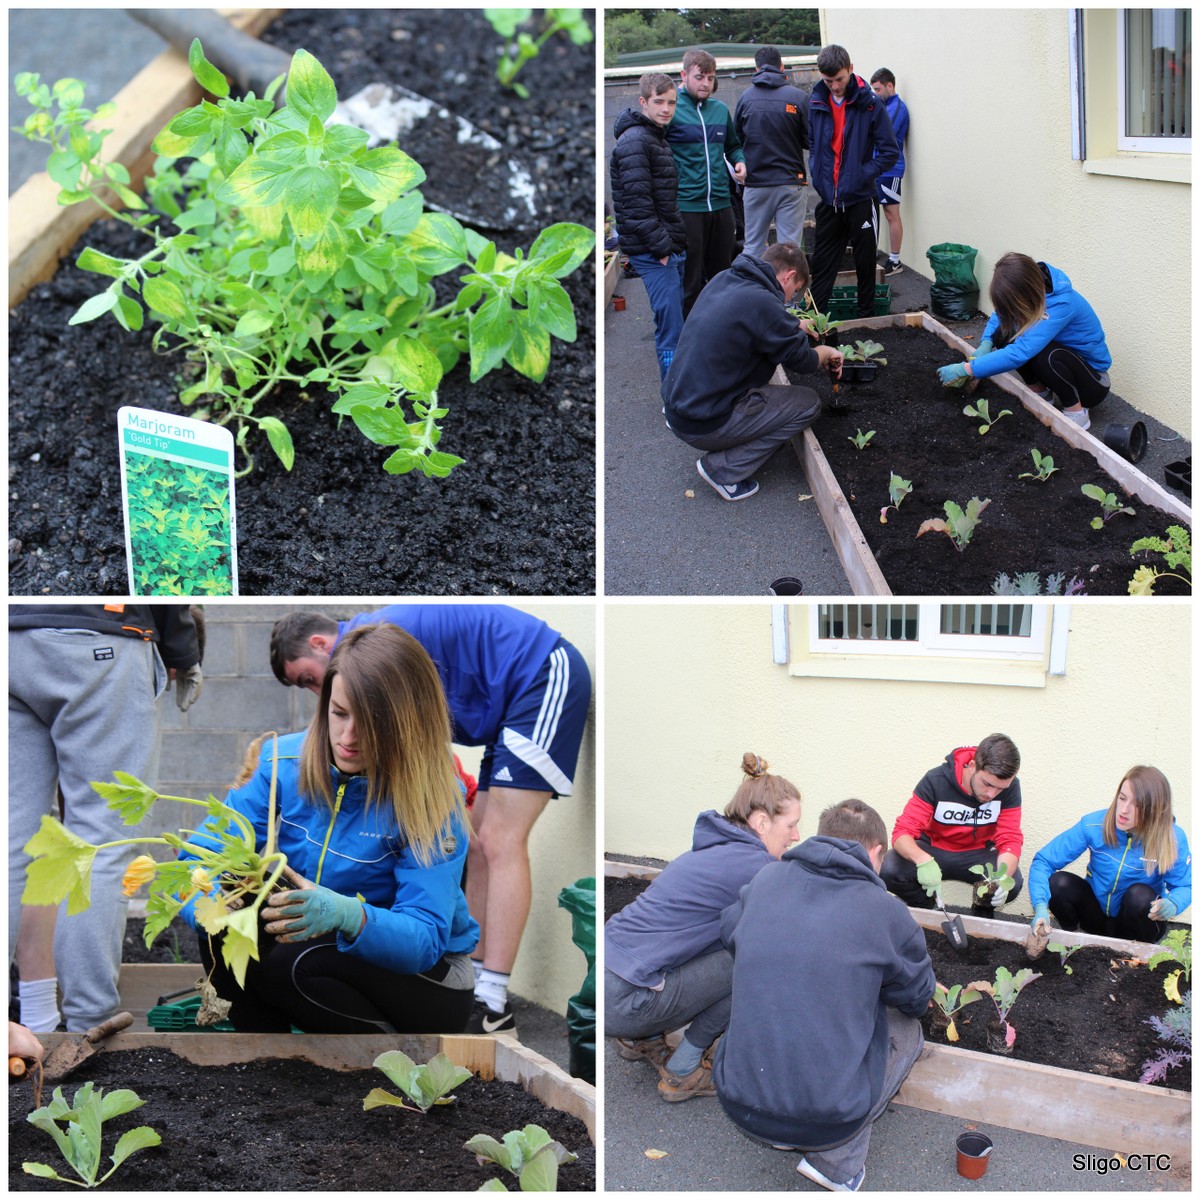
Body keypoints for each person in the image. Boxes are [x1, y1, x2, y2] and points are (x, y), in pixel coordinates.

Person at [269, 604, 591, 1034]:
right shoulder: (369, 646)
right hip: (507, 704)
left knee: (500, 840)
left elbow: (415, 736)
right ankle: (479, 980)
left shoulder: (377, 645)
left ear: (320, 644)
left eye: (308, 678)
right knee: (476, 841)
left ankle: (494, 1001)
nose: (317, 694)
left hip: (542, 675)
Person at [181, 623, 479, 1033]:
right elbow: (195, 861)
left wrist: (347, 914)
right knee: (225, 923)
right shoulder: (278, 764)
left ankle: (385, 1061)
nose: (349, 737)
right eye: (339, 714)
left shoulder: (432, 794)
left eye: (373, 723)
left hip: (428, 982)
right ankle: (259, 1069)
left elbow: (424, 940)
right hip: (319, 955)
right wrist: (213, 905)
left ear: (408, 721)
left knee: (296, 964)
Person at [715, 799, 934, 1192]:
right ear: (876, 853)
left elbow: (730, 934)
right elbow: (917, 998)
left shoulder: (765, 881)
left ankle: (790, 1129)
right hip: (826, 1122)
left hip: (739, 1101)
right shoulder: (885, 911)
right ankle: (837, 1165)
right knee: (908, 1028)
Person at [9, 604, 203, 1033]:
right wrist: (183, 653)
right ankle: (88, 1026)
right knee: (104, 842)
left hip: (12, 638)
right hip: (101, 641)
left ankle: (35, 1026)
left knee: (11, 845)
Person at [605, 753, 801, 1103]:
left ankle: (641, 1039)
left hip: (603, 983)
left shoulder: (716, 849)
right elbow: (786, 932)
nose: (797, 836)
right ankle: (683, 1069)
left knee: (718, 940)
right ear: (761, 823)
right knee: (757, 960)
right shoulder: (756, 866)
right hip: (626, 1002)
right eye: (791, 826)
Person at [663, 241, 842, 502]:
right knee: (808, 403)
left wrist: (792, 325)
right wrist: (826, 352)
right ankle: (723, 470)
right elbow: (802, 362)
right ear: (789, 276)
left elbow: (757, 320)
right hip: (702, 422)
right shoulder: (765, 304)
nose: (790, 299)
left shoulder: (726, 278)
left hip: (679, 404)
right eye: (794, 291)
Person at [937, 252, 1112, 431]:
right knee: (1003, 334)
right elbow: (1001, 313)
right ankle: (1041, 394)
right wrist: (987, 342)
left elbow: (1021, 353)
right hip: (1065, 365)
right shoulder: (1030, 285)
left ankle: (1076, 414)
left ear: (1025, 293)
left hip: (1092, 383)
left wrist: (967, 368)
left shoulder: (1062, 303)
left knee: (1043, 354)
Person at [1028, 765, 1191, 944]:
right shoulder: (1094, 825)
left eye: (1136, 805)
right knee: (1059, 883)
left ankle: (1136, 956)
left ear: (1153, 810)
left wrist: (1174, 903)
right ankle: (1076, 943)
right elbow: (1044, 861)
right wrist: (1041, 905)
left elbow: (1187, 886)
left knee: (1140, 896)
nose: (1123, 810)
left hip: (1136, 925)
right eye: (1122, 798)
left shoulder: (1172, 838)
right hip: (1096, 918)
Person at [880, 734, 1025, 911]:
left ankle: (980, 913)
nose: (991, 794)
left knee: (1013, 881)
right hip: (934, 848)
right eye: (986, 784)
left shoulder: (1011, 789)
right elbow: (902, 833)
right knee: (889, 868)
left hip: (979, 852)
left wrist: (1001, 879)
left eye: (1000, 788)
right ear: (972, 766)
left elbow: (1009, 838)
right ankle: (930, 908)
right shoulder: (936, 780)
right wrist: (922, 860)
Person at [806, 45, 899, 318]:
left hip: (860, 198)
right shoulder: (815, 102)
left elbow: (889, 152)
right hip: (829, 200)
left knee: (865, 263)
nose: (834, 86)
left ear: (851, 69)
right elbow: (814, 143)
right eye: (828, 81)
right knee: (822, 265)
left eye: (839, 79)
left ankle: (866, 322)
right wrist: (819, 176)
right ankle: (815, 324)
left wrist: (860, 174)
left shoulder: (870, 104)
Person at [611, 72, 689, 382]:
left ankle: (682, 392)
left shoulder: (655, 136)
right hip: (655, 250)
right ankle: (674, 402)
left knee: (676, 326)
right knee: (671, 330)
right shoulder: (635, 142)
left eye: (671, 102)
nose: (666, 109)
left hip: (667, 246)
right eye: (659, 102)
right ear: (644, 102)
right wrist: (663, 250)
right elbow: (638, 205)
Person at [667, 48, 746, 316]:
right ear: (684, 75)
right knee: (691, 281)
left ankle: (721, 329)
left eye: (710, 78)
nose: (705, 83)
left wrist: (740, 161)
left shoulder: (720, 110)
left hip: (722, 207)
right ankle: (691, 337)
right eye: (700, 77)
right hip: (688, 208)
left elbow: (733, 146)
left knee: (722, 277)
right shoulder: (672, 110)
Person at [734, 46, 810, 260]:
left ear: (757, 68)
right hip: (790, 182)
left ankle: (752, 292)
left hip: (756, 183)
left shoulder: (745, 99)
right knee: (790, 250)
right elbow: (809, 141)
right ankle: (791, 294)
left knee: (753, 247)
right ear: (782, 67)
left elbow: (736, 142)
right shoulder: (798, 97)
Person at [868, 68, 909, 277]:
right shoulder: (882, 106)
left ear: (890, 86)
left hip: (891, 170)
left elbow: (881, 135)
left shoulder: (898, 108)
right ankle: (873, 254)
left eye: (877, 89)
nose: (875, 93)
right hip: (877, 168)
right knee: (877, 212)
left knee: (892, 214)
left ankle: (895, 260)